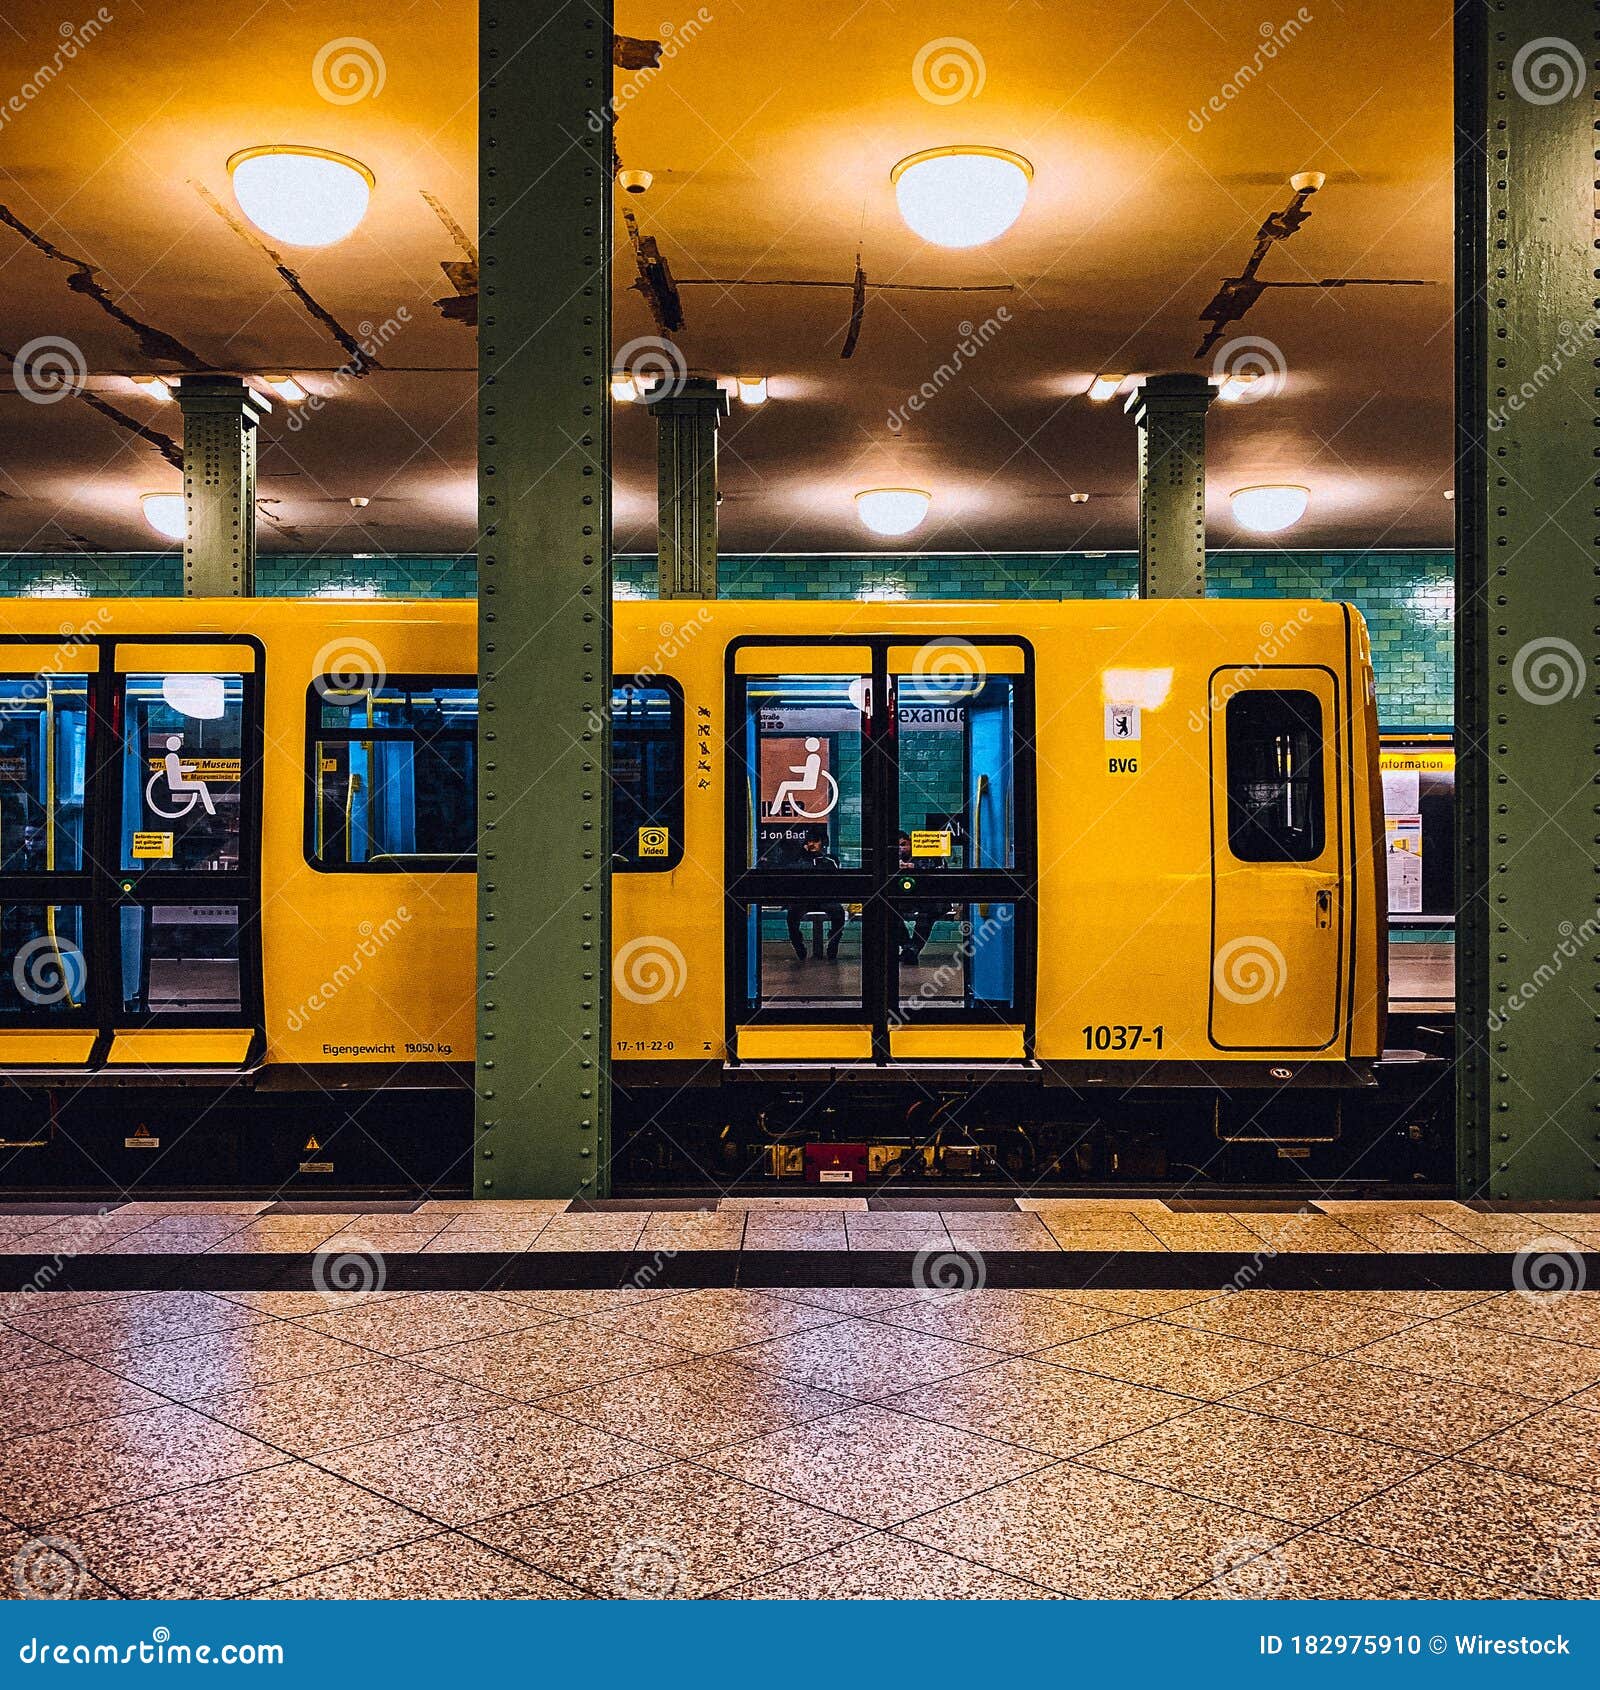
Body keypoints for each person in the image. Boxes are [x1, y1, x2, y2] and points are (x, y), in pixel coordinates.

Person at [785, 824, 847, 962]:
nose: (811, 844)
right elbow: (792, 872)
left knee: (838, 912)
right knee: (792, 916)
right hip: (804, 899)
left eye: (815, 841)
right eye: (808, 842)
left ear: (822, 843)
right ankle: (799, 946)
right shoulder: (800, 859)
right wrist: (803, 853)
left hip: (825, 899)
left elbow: (837, 880)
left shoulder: (830, 860)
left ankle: (833, 943)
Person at [897, 830, 942, 965]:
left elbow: (937, 867)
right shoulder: (893, 857)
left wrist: (914, 866)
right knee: (891, 914)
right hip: (905, 899)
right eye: (898, 846)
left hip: (927, 899)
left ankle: (912, 948)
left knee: (926, 917)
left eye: (904, 844)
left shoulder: (924, 853)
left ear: (911, 842)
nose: (902, 848)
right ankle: (909, 947)